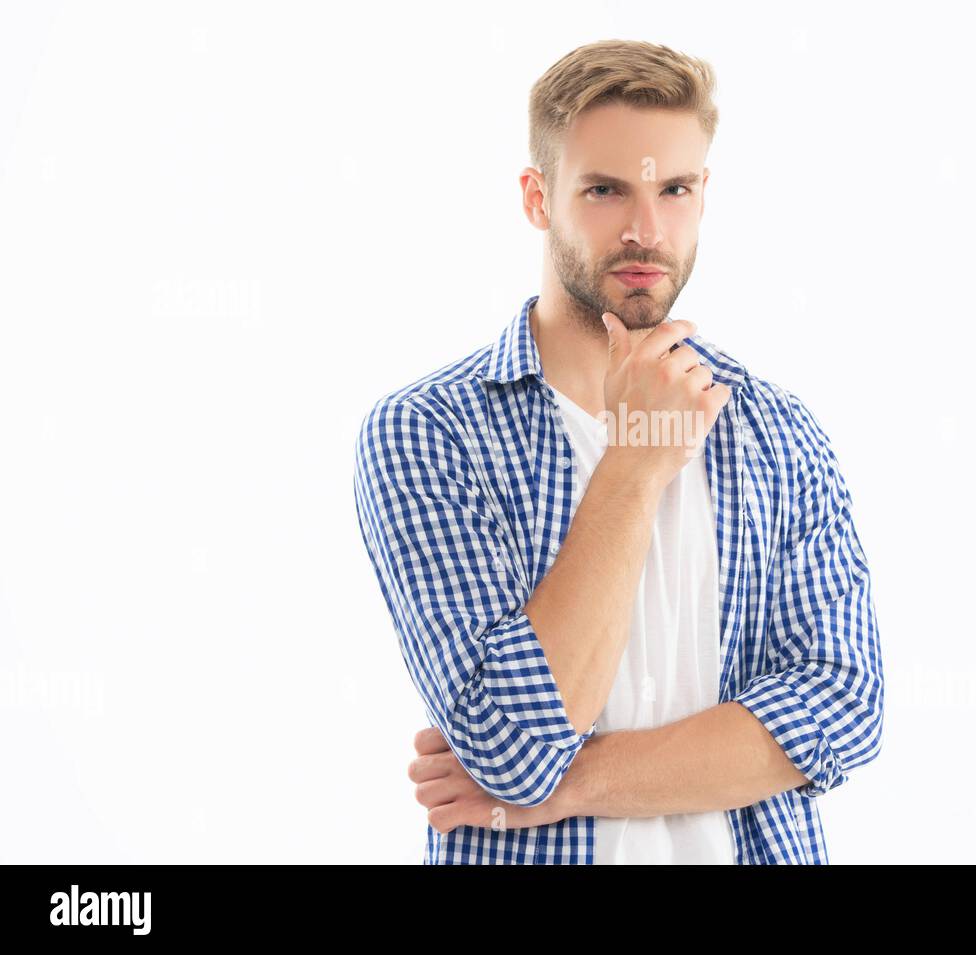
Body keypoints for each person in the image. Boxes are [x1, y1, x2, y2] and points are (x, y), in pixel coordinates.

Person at [353, 39, 884, 864]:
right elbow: (514, 747)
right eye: (605, 190)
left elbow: (844, 707)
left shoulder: (776, 429)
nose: (646, 229)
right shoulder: (428, 432)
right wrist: (635, 462)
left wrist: (566, 787)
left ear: (704, 195)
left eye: (674, 189)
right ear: (538, 198)